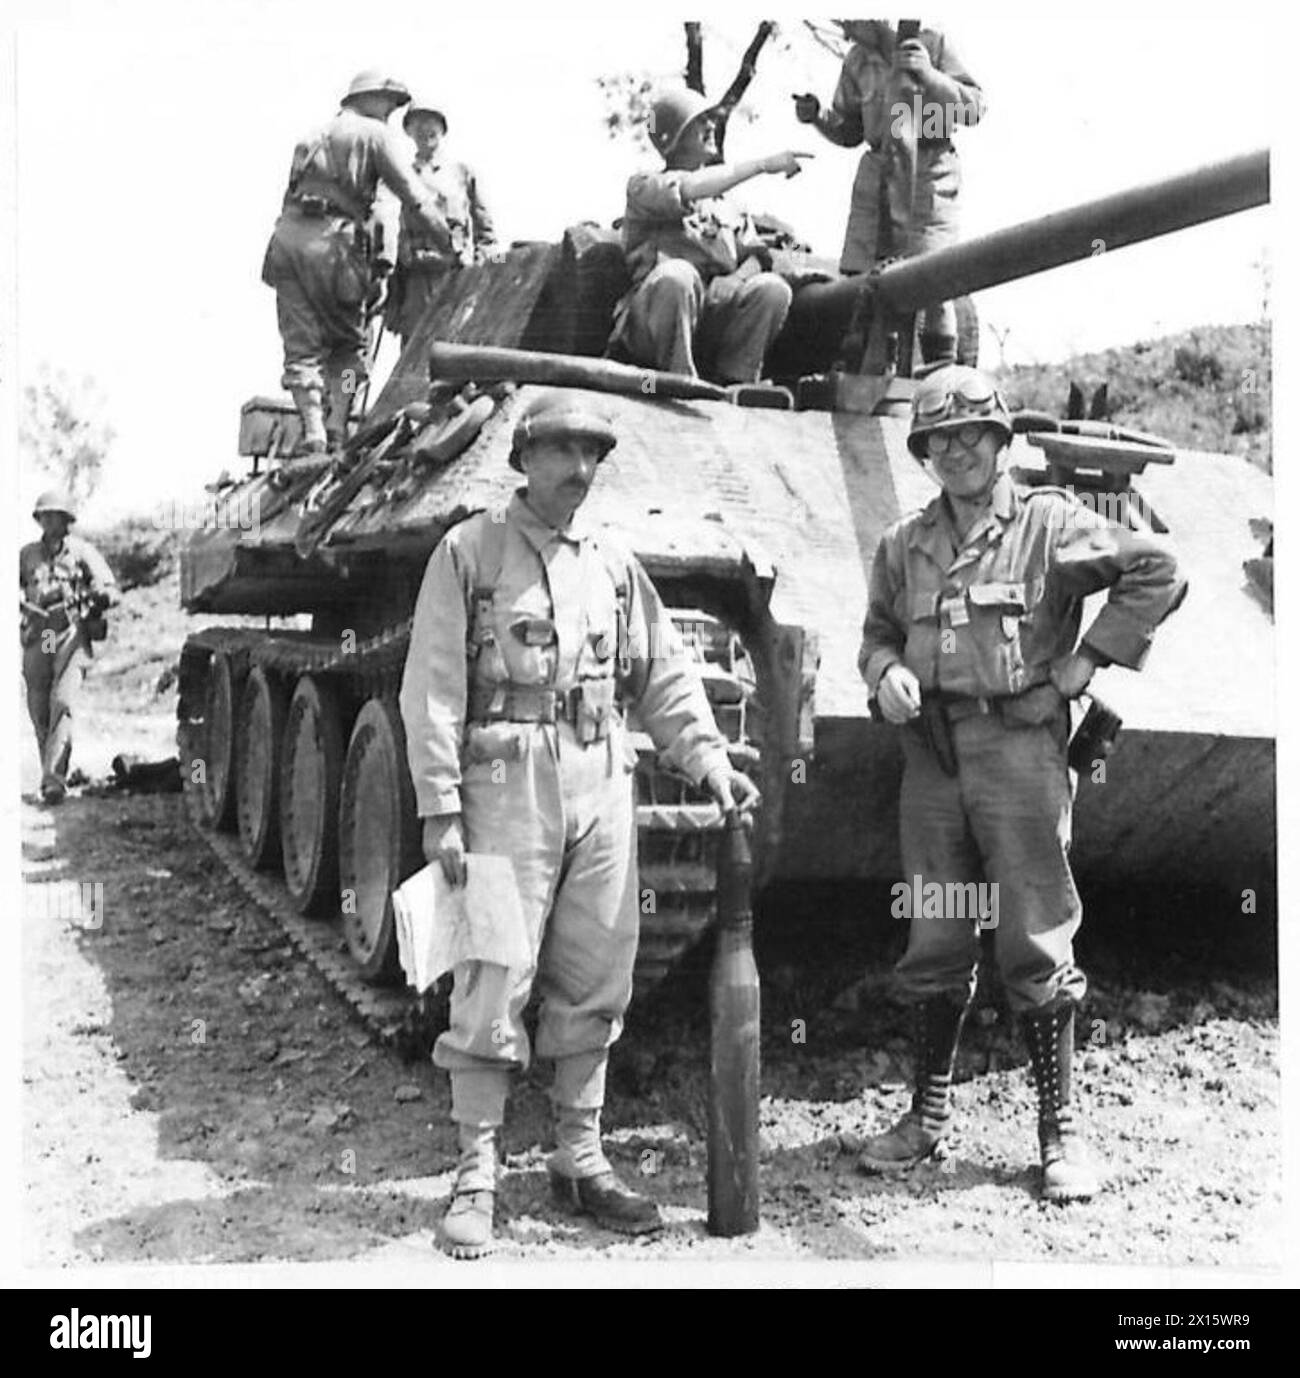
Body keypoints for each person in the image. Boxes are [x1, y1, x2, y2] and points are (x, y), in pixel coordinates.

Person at [399, 390, 760, 1258]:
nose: (580, 470)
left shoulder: (612, 562)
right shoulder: (470, 551)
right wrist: (440, 806)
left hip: (602, 776)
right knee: (493, 970)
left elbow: (663, 674)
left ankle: (579, 1154)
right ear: (524, 459)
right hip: (503, 779)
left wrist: (707, 760)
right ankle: (477, 1170)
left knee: (599, 964)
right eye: (562, 452)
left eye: (593, 454)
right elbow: (435, 684)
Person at [857, 365, 1186, 1202]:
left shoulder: (1050, 526)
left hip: (1018, 756)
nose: (959, 451)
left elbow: (1157, 570)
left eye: (974, 434)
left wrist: (1082, 663)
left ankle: (1059, 1133)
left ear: (1001, 441)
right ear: (924, 451)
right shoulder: (905, 543)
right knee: (940, 929)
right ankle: (927, 1116)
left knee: (1033, 936)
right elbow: (878, 635)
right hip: (933, 760)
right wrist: (887, 670)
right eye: (941, 439)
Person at [261, 70, 452, 459]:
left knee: (302, 347)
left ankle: (312, 429)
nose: (390, 115)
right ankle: (336, 427)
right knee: (348, 348)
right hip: (332, 247)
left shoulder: (312, 136)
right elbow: (412, 200)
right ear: (370, 99)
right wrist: (448, 245)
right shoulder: (374, 135)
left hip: (287, 241)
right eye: (389, 104)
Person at [795, 20, 984, 365]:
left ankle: (941, 368)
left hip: (929, 168)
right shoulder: (857, 60)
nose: (847, 30)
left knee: (933, 274)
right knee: (860, 278)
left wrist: (929, 75)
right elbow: (849, 129)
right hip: (879, 168)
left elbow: (974, 108)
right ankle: (862, 365)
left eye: (852, 22)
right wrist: (818, 117)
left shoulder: (933, 43)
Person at [610, 87, 811, 384]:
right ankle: (677, 380)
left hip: (710, 321)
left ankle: (736, 383)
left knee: (771, 288)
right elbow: (688, 188)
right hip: (652, 325)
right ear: (673, 136)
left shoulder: (727, 204)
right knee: (677, 275)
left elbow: (756, 254)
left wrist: (736, 280)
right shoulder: (644, 187)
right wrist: (761, 166)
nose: (711, 126)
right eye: (699, 121)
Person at [20, 490, 119, 804]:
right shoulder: (26, 555)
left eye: (56, 516)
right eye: (45, 515)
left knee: (62, 702)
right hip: (39, 635)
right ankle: (48, 771)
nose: (50, 521)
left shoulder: (83, 552)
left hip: (70, 634)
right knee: (39, 709)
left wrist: (100, 596)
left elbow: (110, 588)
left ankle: (53, 781)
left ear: (66, 520)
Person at [386, 100, 501, 350]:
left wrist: (483, 269)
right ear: (409, 131)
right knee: (414, 353)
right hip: (415, 279)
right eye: (418, 123)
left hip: (455, 274)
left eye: (432, 122)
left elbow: (486, 232)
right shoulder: (398, 174)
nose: (425, 129)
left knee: (456, 346)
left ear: (442, 129)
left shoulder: (461, 173)